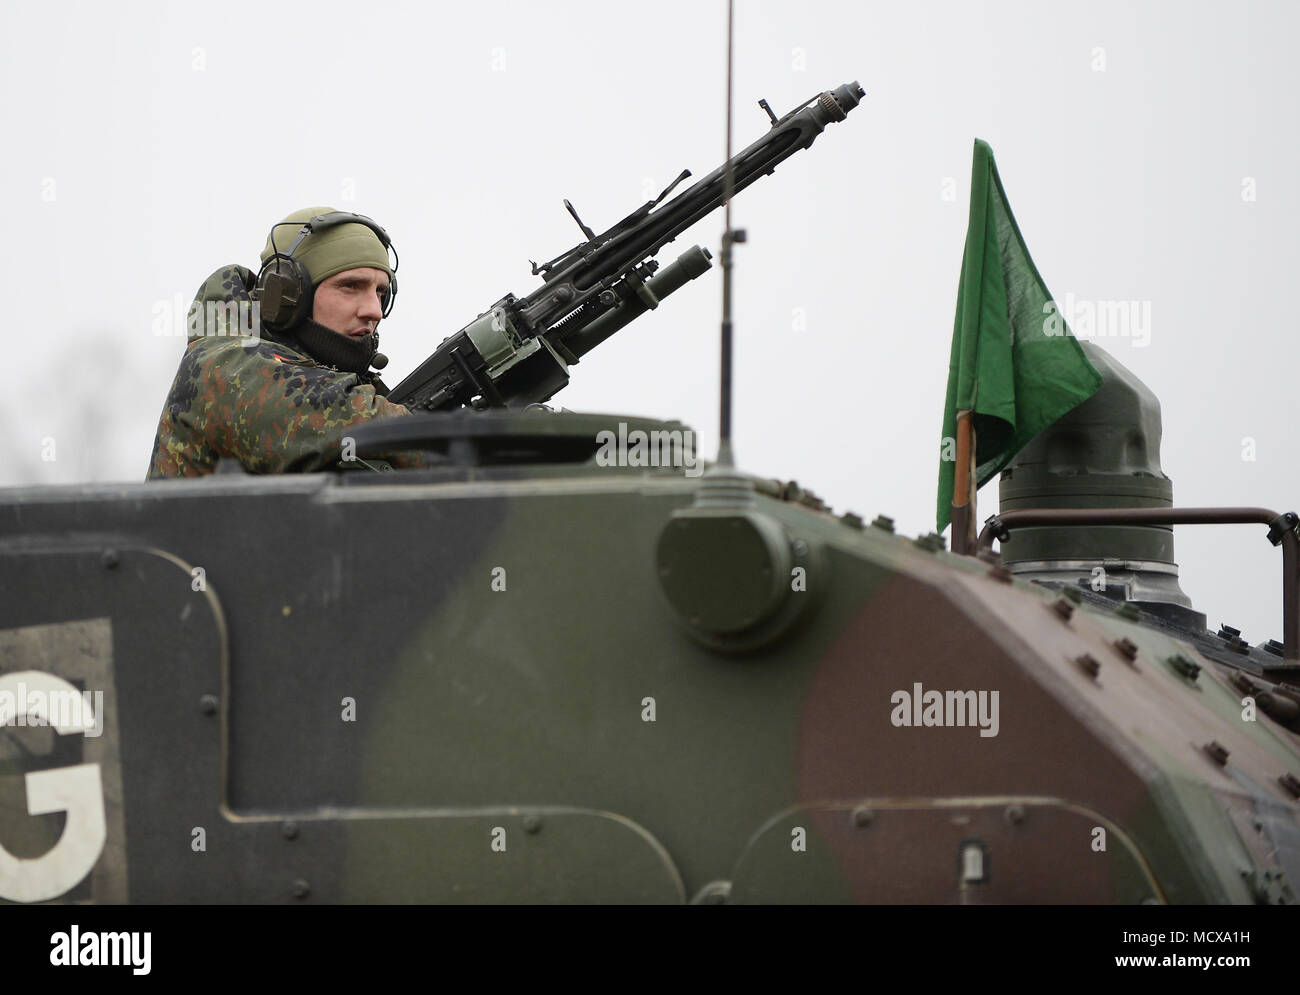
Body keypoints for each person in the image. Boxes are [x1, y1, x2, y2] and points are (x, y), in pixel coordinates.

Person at [147, 207, 422, 478]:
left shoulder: (343, 382)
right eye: (350, 286)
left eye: (380, 292)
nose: (373, 309)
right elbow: (350, 419)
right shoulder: (222, 367)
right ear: (288, 294)